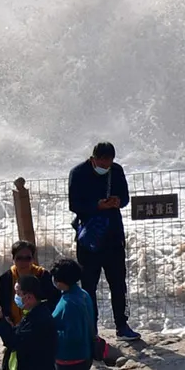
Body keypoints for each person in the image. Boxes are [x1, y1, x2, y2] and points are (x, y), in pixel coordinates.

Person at [68, 142, 140, 341]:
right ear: (93, 159)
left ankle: (122, 325)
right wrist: (96, 205)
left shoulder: (116, 171)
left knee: (118, 284)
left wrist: (118, 202)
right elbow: (74, 204)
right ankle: (92, 329)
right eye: (102, 162)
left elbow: (125, 198)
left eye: (109, 162)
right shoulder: (78, 173)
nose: (106, 166)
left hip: (114, 236)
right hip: (89, 239)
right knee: (89, 286)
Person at [0, 271, 60, 370]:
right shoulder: (33, 314)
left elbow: (15, 342)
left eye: (17, 293)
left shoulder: (39, 320)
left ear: (28, 297)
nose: (15, 298)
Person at [51, 258, 96, 370]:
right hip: (86, 354)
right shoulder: (83, 294)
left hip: (70, 359)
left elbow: (71, 336)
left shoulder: (68, 303)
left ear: (61, 281)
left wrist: (48, 333)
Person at [0, 240, 59, 327]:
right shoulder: (6, 279)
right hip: (13, 327)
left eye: (27, 258)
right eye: (19, 258)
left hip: (40, 326)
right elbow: (1, 303)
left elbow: (54, 302)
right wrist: (6, 319)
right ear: (13, 259)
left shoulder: (43, 276)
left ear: (33, 259)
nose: (23, 262)